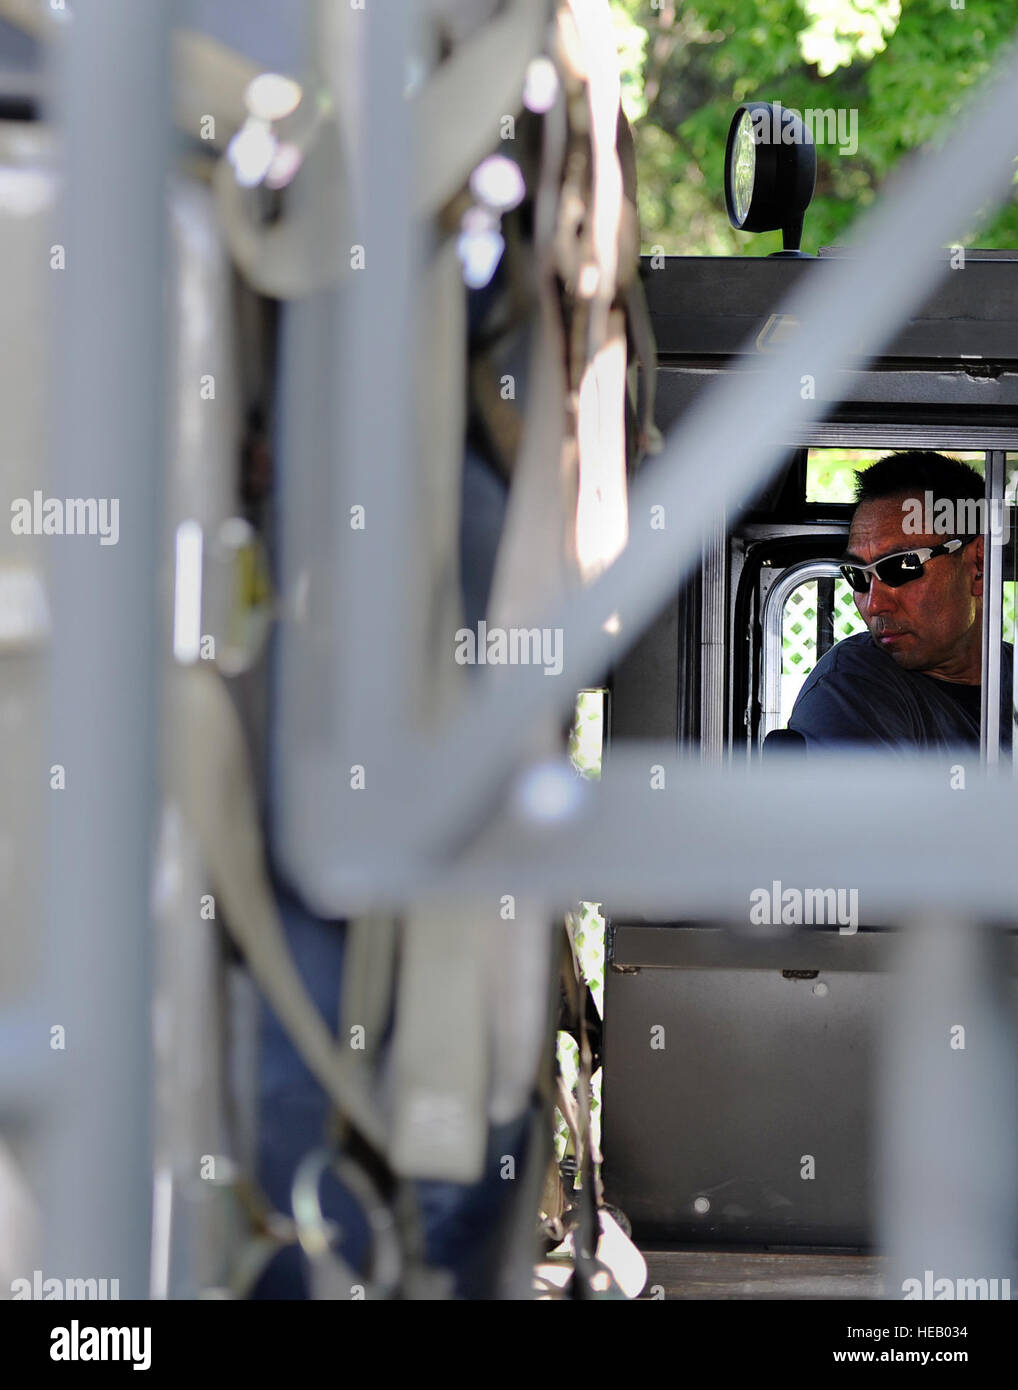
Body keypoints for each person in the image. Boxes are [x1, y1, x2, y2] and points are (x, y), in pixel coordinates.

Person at [787, 451, 1013, 752]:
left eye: (901, 567)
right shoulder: (853, 686)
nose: (873, 605)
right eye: (857, 576)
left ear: (979, 566)